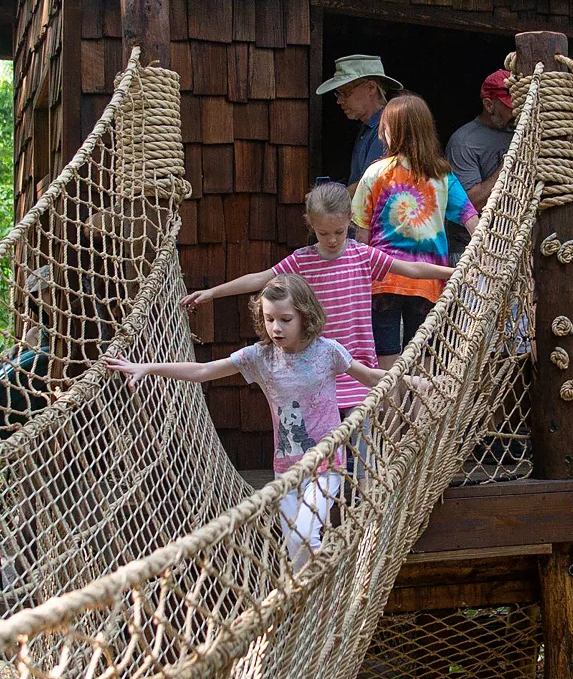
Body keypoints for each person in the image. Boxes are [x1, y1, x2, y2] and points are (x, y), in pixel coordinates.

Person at [105, 276, 395, 566]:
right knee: (295, 547)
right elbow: (204, 370)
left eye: (285, 319)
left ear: (305, 316)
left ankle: (326, 593)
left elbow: (369, 376)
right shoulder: (261, 357)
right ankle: (310, 601)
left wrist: (412, 379)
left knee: (304, 535)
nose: (276, 328)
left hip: (326, 463)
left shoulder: (327, 351)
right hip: (285, 469)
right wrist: (148, 367)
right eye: (269, 319)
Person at [180, 182, 454, 416]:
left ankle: (364, 481)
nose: (332, 240)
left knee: (362, 448)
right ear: (310, 224)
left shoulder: (362, 255)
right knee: (325, 445)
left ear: (349, 220)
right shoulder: (303, 261)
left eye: (339, 232)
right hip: (319, 369)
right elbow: (260, 278)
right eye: (323, 233)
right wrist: (213, 293)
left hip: (359, 368)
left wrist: (454, 272)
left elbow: (412, 268)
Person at [352, 95, 480, 369]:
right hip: (429, 282)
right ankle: (417, 413)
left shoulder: (375, 173)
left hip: (383, 279)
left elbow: (361, 235)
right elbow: (473, 223)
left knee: (386, 366)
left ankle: (391, 411)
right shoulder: (442, 176)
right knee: (421, 363)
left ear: (390, 131)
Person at [445, 69, 516, 260]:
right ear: (488, 105)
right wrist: (506, 168)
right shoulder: (464, 142)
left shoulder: (522, 132)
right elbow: (469, 204)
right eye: (509, 106)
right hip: (471, 251)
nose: (516, 110)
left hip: (515, 246)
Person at [316, 55, 401, 184]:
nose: (339, 101)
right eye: (338, 93)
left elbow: (370, 185)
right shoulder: (368, 126)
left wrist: (327, 198)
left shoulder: (386, 127)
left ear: (371, 87)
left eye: (345, 92)